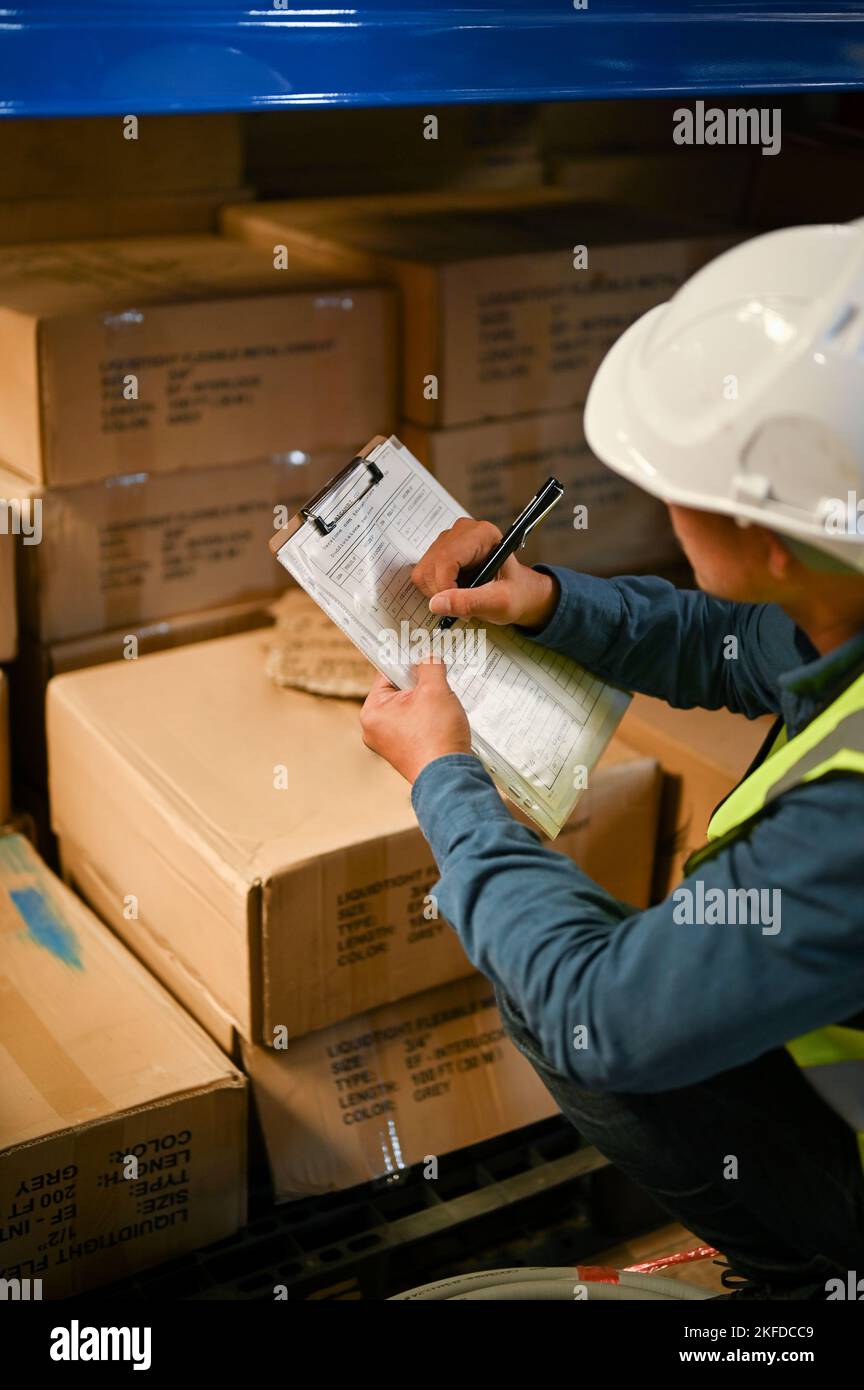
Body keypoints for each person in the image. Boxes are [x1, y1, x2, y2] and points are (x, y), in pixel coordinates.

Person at [359, 221, 864, 1299]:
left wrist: (447, 780)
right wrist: (544, 601)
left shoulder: (848, 831)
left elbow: (603, 1013)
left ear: (773, 544)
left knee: (547, 982)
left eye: (678, 484)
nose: (662, 501)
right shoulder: (843, 595)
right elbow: (730, 645)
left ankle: (810, 1275)